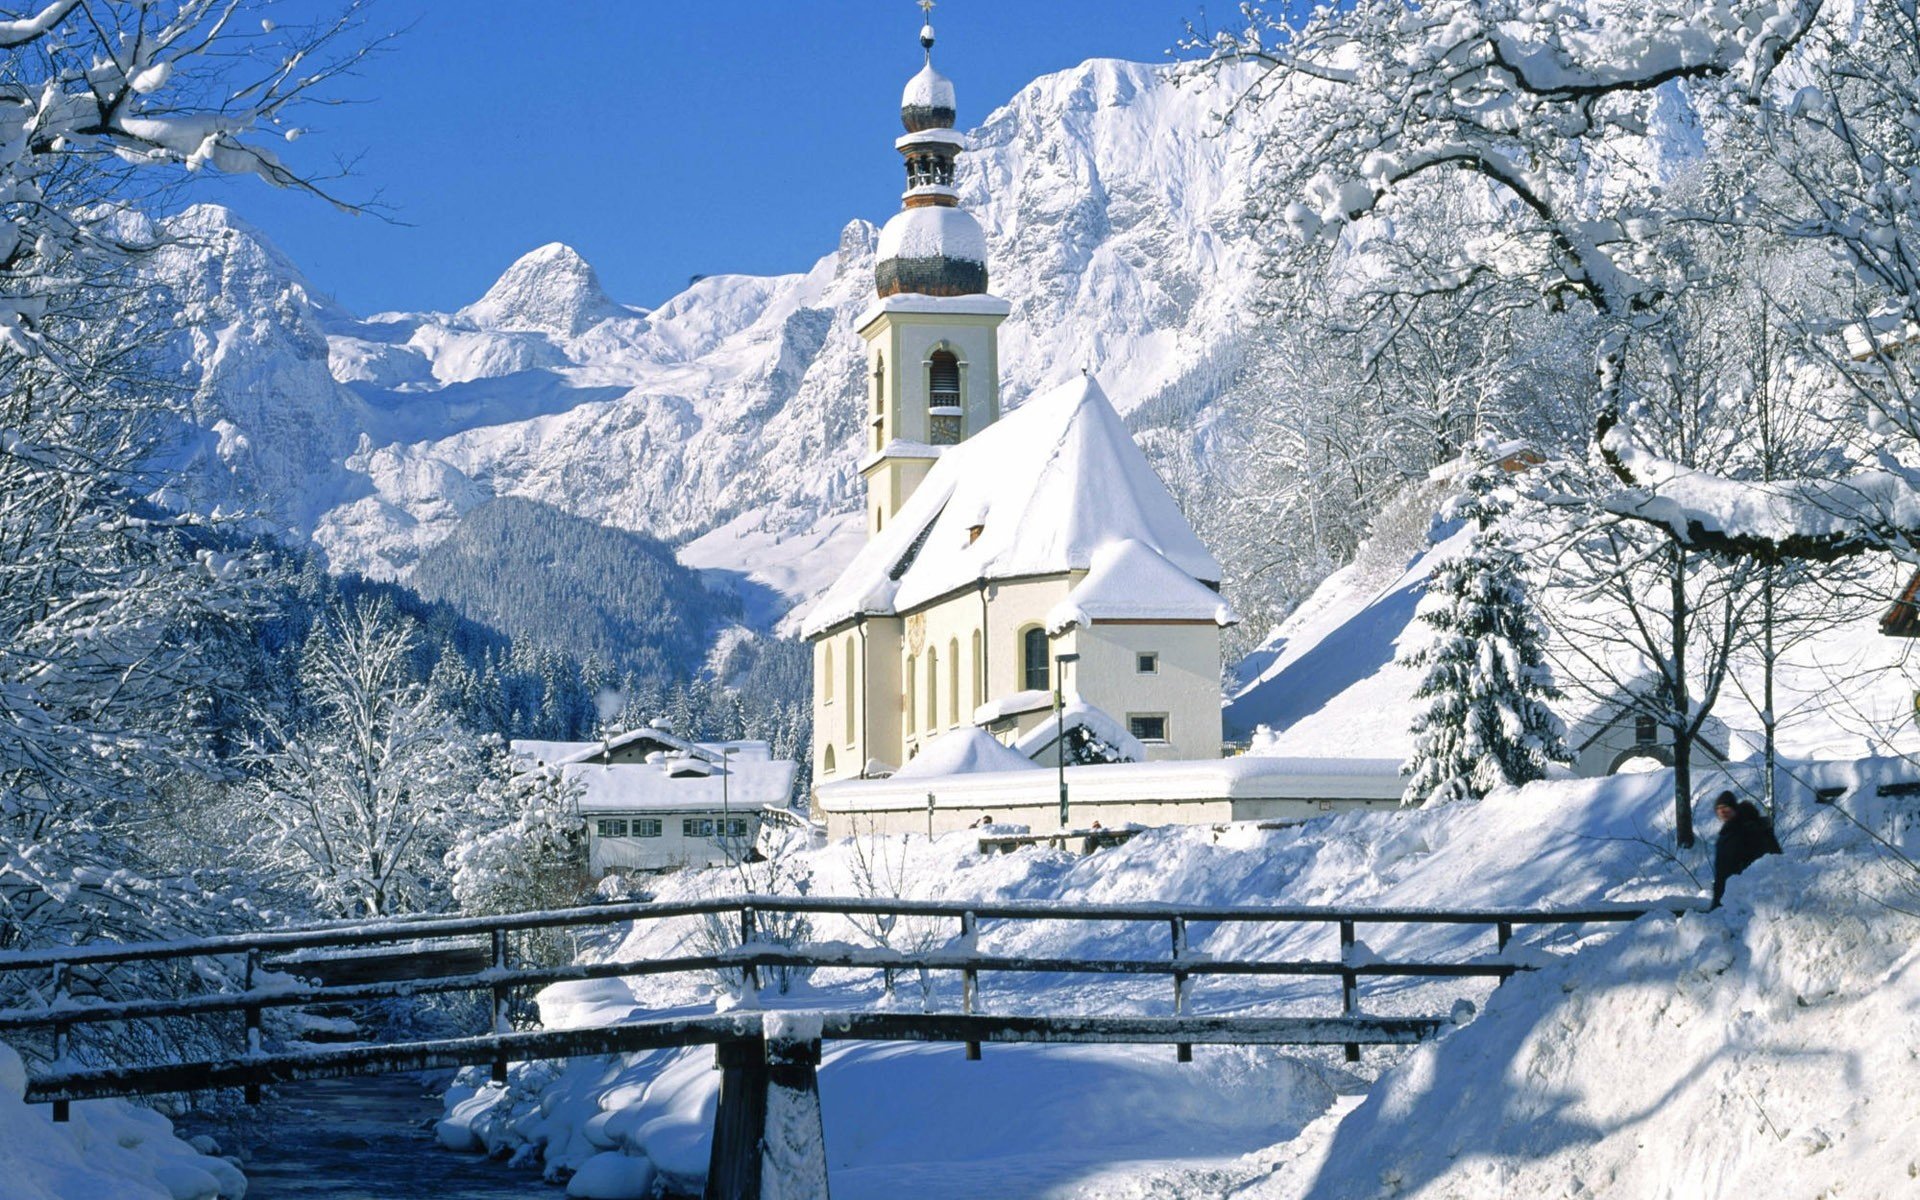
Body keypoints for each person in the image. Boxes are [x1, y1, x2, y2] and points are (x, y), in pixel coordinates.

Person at [1710, 792, 1782, 908]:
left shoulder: (1750, 829)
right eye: (1719, 808)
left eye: (1726, 807)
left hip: (1748, 898)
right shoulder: (1726, 833)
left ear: (1734, 808)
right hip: (1728, 896)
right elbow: (1722, 872)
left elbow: (1764, 861)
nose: (1722, 811)